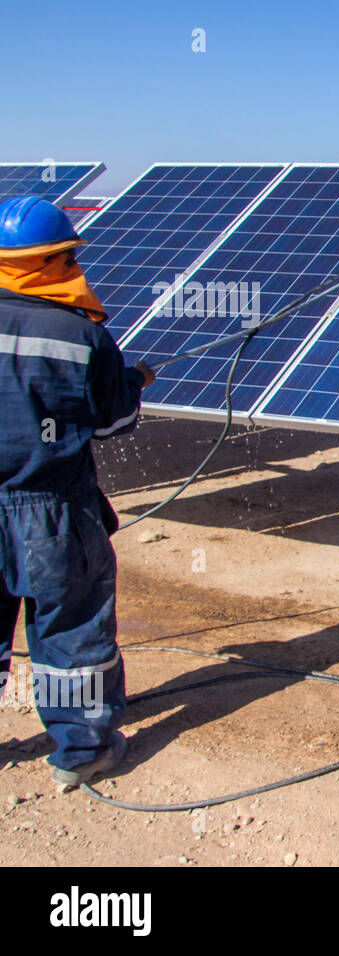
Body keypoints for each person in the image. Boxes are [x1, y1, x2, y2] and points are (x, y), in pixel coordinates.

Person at [0, 196, 155, 786]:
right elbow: (110, 421)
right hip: (50, 511)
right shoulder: (75, 333)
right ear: (56, 258)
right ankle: (83, 749)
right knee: (70, 629)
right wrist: (131, 383)